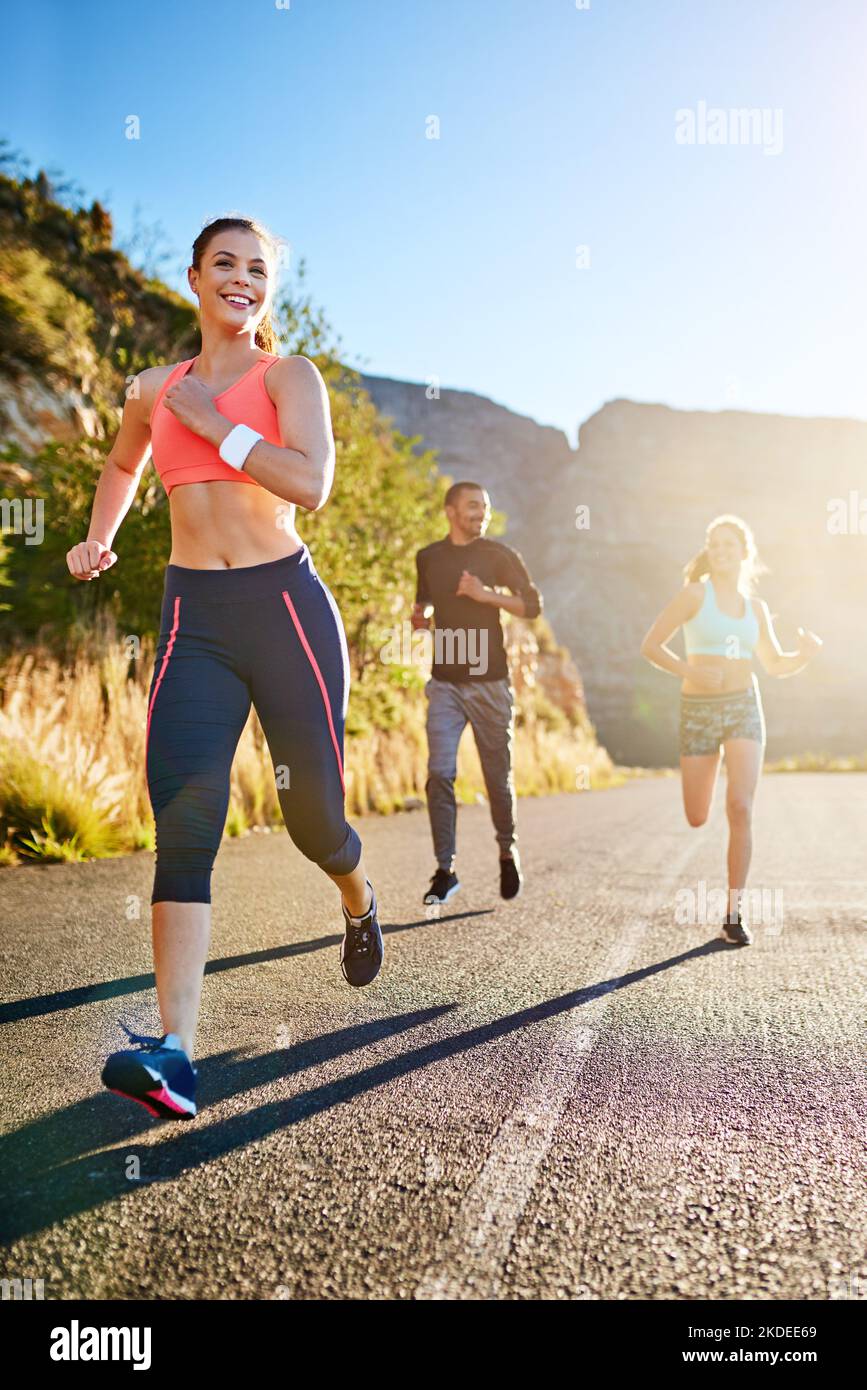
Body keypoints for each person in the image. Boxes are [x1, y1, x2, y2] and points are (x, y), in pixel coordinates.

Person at [66, 215, 382, 1122]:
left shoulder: (289, 377)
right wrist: (97, 538)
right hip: (193, 618)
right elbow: (124, 462)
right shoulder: (153, 390)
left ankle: (357, 897)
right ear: (195, 278)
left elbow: (310, 483)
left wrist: (218, 428)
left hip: (286, 609)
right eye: (225, 266)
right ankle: (175, 1053)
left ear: (264, 290)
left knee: (313, 819)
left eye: (256, 269)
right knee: (186, 818)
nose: (240, 280)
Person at [639, 513, 822, 945]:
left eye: (730, 545)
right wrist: (689, 671)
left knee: (740, 806)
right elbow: (650, 645)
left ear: (745, 553)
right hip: (698, 709)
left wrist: (805, 655)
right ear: (709, 552)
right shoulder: (693, 595)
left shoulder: (755, 608)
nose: (721, 552)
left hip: (744, 706)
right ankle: (707, 785)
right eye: (715, 545)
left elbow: (774, 665)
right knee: (697, 815)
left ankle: (733, 914)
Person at [411, 481, 543, 906]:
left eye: (484, 507)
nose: (480, 513)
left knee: (496, 778)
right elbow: (427, 601)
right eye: (472, 506)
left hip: (490, 683)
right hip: (445, 683)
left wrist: (485, 594)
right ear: (450, 510)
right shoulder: (428, 557)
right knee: (440, 774)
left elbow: (533, 605)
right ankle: (445, 870)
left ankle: (507, 850)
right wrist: (421, 615)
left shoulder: (498, 556)